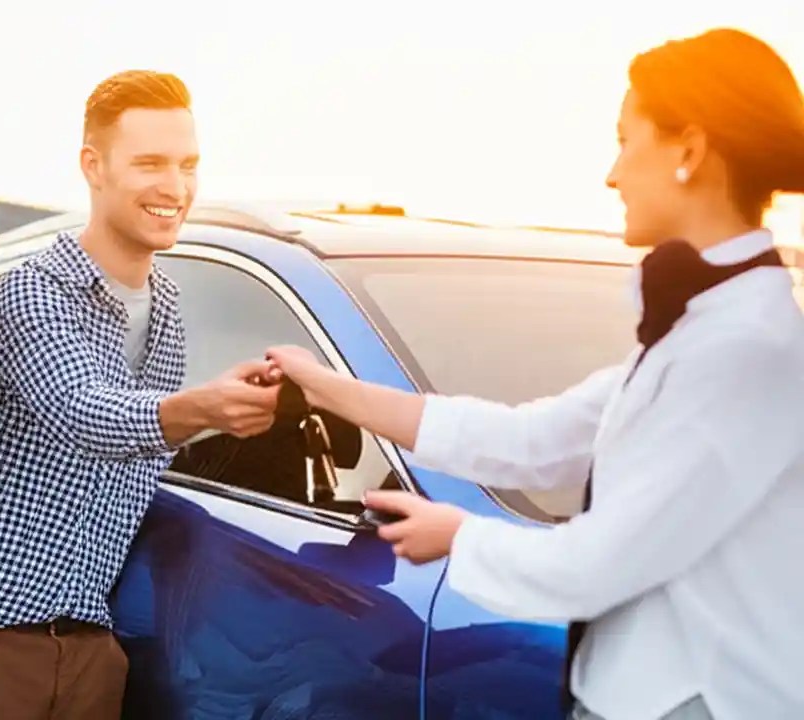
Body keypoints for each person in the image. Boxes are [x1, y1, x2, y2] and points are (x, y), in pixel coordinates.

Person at [266, 28, 804, 720]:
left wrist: (459, 534)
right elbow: (531, 438)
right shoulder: (702, 330)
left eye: (625, 139)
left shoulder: (747, 350)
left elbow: (596, 564)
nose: (612, 174)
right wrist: (325, 385)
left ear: (690, 151)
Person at [0, 69, 282, 720]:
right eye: (149, 163)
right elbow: (89, 413)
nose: (175, 187)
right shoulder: (31, 294)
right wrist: (204, 408)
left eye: (187, 164)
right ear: (94, 166)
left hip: (96, 645)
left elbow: (151, 463)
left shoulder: (168, 305)